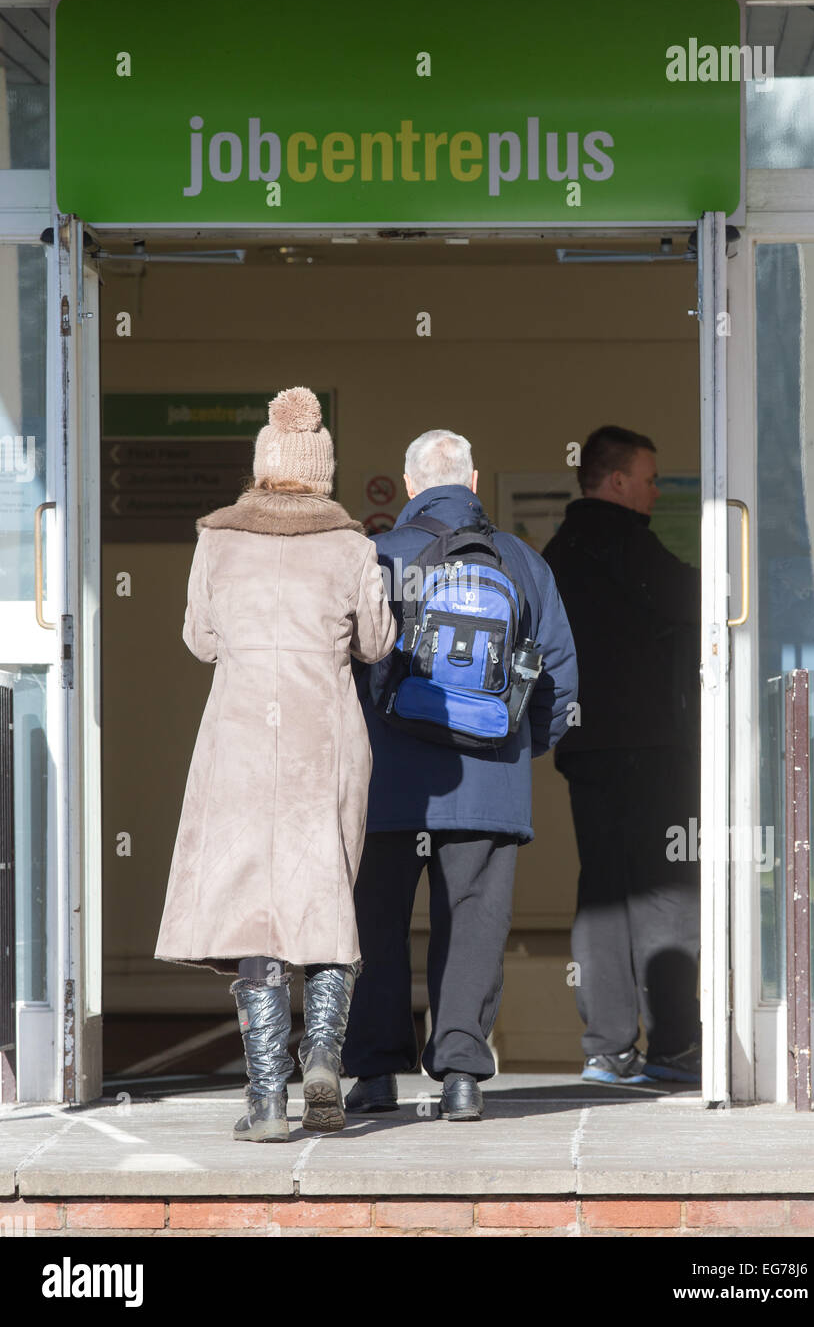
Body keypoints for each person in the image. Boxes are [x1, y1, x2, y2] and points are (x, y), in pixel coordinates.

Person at [154, 386, 396, 1141]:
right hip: (326, 737)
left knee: (251, 907)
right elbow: (378, 644)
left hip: (239, 743)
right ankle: (323, 1053)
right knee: (324, 895)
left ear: (263, 466)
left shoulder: (217, 538)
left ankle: (265, 1100)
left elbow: (199, 639)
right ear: (321, 472)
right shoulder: (353, 546)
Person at [341, 429, 578, 1120]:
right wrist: (516, 748)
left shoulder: (376, 557)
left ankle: (374, 1075)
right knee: (474, 922)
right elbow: (559, 681)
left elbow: (342, 666)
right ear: (474, 483)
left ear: (410, 487)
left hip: (384, 784)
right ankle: (462, 1075)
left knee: (375, 924)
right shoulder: (524, 562)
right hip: (488, 783)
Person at [542, 425, 702, 1086]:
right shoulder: (625, 541)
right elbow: (696, 599)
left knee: (602, 893)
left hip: (585, 749)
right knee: (665, 894)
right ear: (617, 482)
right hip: (648, 747)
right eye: (650, 477)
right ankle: (673, 1048)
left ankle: (607, 1048)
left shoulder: (558, 548)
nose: (657, 491)